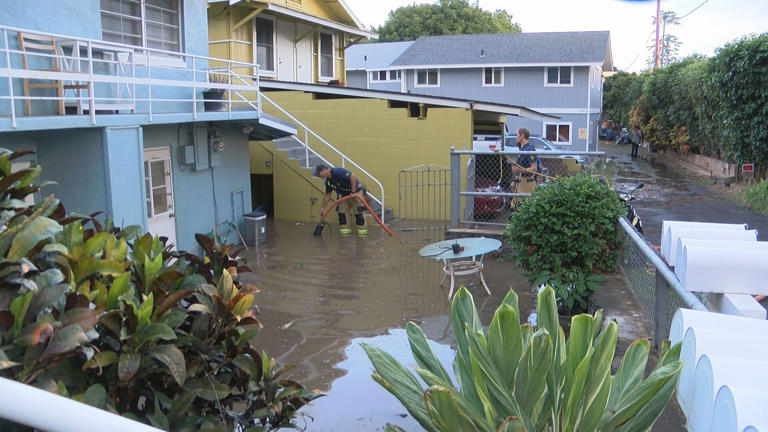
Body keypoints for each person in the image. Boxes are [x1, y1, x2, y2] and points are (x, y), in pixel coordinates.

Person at [315, 163, 367, 236]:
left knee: (358, 211)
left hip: (355, 192)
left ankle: (362, 234)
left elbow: (352, 176)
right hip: (344, 194)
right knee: (341, 211)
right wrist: (322, 208)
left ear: (324, 170)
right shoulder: (328, 182)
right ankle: (345, 234)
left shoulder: (337, 172)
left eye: (318, 173)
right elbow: (327, 195)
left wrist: (352, 191)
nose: (318, 176)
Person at [507, 128, 540, 206]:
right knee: (514, 206)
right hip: (518, 182)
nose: (516, 137)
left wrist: (518, 169)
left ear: (522, 135)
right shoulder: (521, 149)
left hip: (527, 183)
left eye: (517, 135)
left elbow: (534, 168)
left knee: (525, 205)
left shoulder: (530, 149)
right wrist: (513, 181)